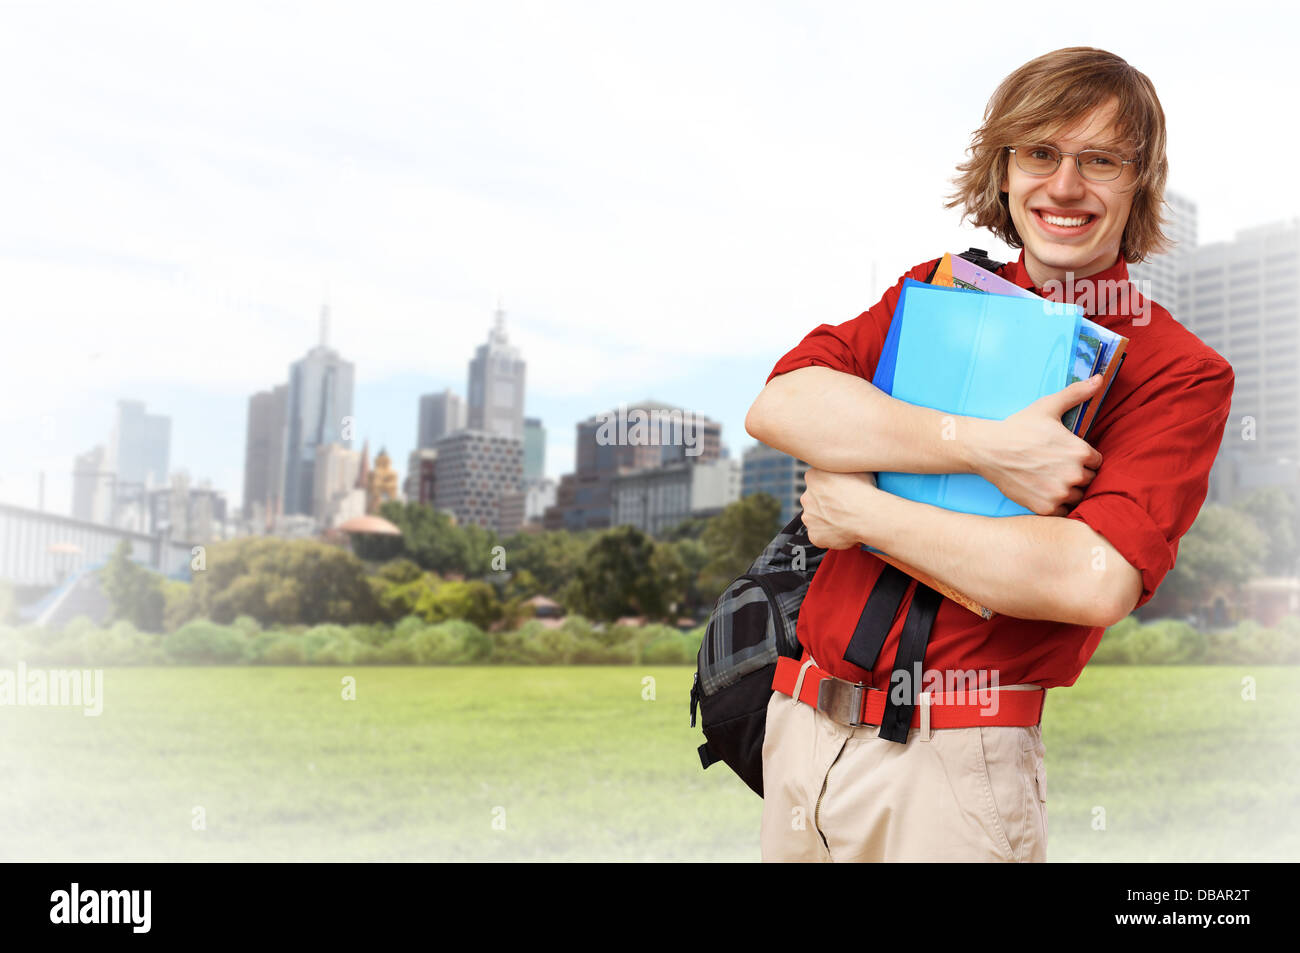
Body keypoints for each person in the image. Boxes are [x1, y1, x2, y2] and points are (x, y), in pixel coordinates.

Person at [743, 47, 1234, 863]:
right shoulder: (935, 286)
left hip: (951, 763)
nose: (1065, 187)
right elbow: (783, 404)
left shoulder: (1178, 368)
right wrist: (990, 449)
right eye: (1039, 154)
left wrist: (862, 509)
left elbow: (1093, 577)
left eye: (1099, 160)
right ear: (1003, 171)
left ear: (1139, 181)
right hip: (797, 734)